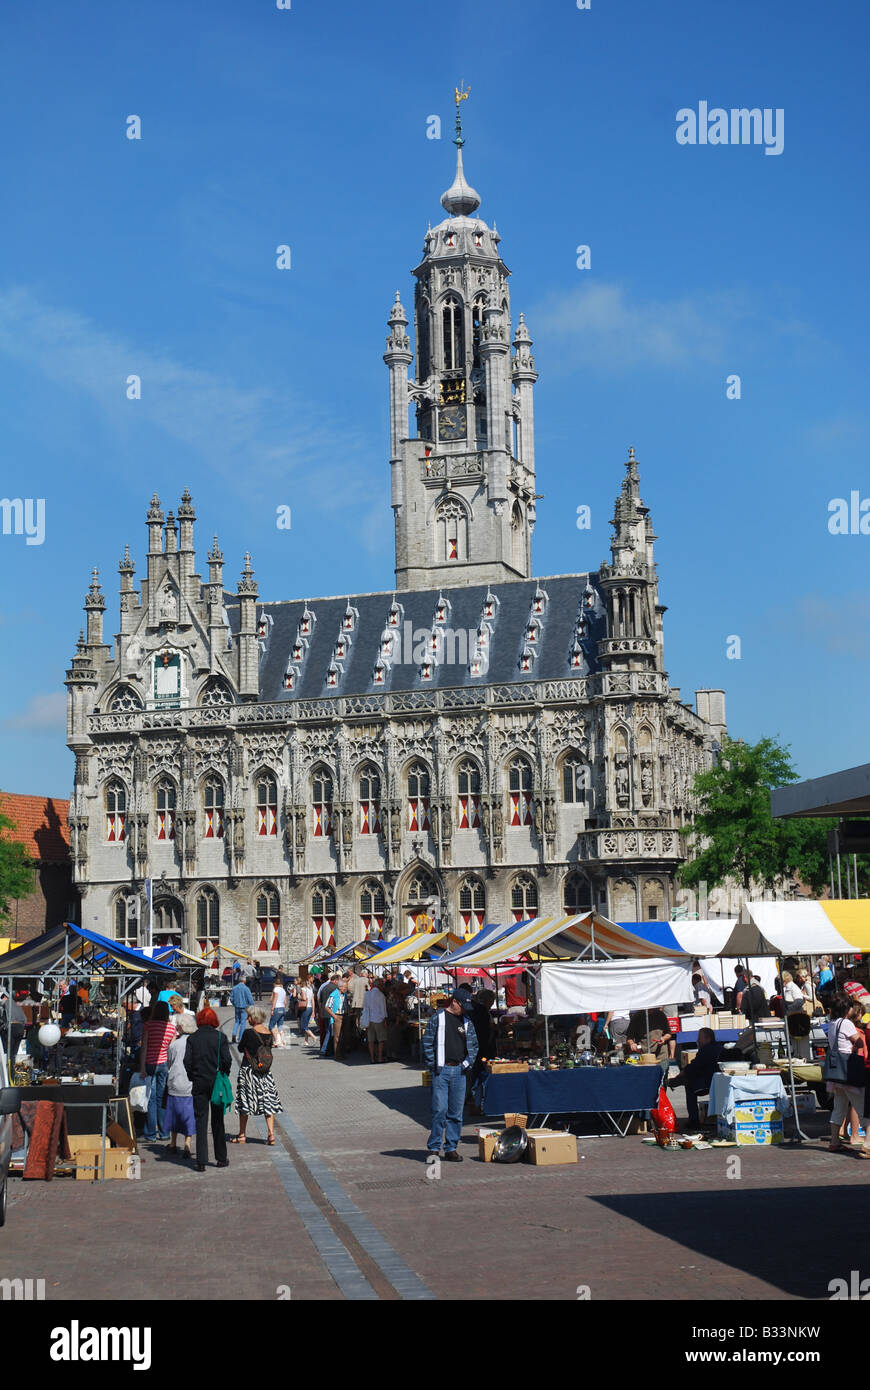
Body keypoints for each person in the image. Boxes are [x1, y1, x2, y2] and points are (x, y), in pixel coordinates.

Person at [422, 988, 479, 1162]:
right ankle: (434, 1147)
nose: (465, 1010)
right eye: (463, 1006)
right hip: (442, 1070)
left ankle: (451, 1148)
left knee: (456, 1113)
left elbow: (474, 1046)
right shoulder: (437, 1018)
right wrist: (434, 1065)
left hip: (459, 1071)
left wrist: (466, 1065)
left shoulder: (467, 1021)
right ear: (454, 1002)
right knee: (440, 1110)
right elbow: (427, 1043)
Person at [183, 1007, 232, 1171]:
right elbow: (227, 1059)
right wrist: (224, 1073)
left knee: (201, 1121)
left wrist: (192, 1075)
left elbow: (187, 1062)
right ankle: (221, 1158)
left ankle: (201, 1160)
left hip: (199, 1081)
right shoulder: (220, 1037)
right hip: (216, 1081)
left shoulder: (192, 1039)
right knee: (218, 1121)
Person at [233, 1006, 284, 1145]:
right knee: (268, 1101)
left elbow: (239, 1048)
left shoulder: (249, 1033)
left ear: (253, 1018)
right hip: (265, 1072)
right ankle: (271, 1134)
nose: (247, 1019)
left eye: (249, 1016)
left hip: (249, 1071)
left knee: (245, 1102)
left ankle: (242, 1135)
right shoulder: (268, 1033)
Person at [826, 994, 867, 1156]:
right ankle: (868, 1143)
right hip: (847, 1068)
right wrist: (853, 1048)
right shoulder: (847, 1024)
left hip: (836, 1072)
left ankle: (834, 1141)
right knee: (862, 1105)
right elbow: (859, 1042)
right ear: (845, 1008)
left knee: (839, 1107)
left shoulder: (832, 1024)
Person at [667, 1026, 723, 1129]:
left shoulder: (706, 1050)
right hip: (716, 1080)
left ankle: (694, 1120)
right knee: (687, 1079)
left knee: (689, 1085)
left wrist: (680, 1075)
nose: (697, 1041)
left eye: (699, 1038)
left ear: (708, 1038)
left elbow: (694, 1066)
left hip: (707, 1081)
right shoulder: (718, 1047)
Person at [138, 1001, 176, 1143]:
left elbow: (144, 1048)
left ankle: (150, 1133)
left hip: (149, 1064)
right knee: (161, 1098)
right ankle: (164, 1132)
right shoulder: (172, 1029)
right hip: (164, 1065)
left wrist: (142, 1068)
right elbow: (171, 1050)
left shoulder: (148, 1026)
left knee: (151, 1099)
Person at [164, 1014, 197, 1160]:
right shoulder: (195, 1043)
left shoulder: (175, 1044)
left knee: (174, 1113)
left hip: (176, 1080)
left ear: (181, 1027)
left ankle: (172, 1142)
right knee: (189, 1114)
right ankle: (187, 1144)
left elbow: (169, 1061)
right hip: (190, 1082)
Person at [361, 976, 389, 1063]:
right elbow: (383, 1009)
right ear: (380, 985)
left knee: (371, 1040)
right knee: (381, 1040)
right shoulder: (381, 995)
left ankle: (372, 1058)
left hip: (369, 1019)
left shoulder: (367, 994)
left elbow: (364, 1007)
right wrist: (385, 1020)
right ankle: (380, 1057)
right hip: (379, 1019)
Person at [321, 976, 348, 1058]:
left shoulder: (344, 994)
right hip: (337, 1016)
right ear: (340, 987)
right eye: (345, 987)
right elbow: (327, 1006)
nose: (346, 988)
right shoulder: (334, 994)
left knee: (343, 1036)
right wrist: (334, 1016)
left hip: (344, 1015)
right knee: (337, 1036)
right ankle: (338, 1054)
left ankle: (342, 1053)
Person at [229, 975, 254, 1045]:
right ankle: (240, 1038)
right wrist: (252, 1006)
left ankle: (234, 1033)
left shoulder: (234, 988)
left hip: (237, 1007)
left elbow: (231, 998)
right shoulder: (246, 989)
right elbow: (250, 999)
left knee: (237, 1021)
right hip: (245, 1007)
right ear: (245, 981)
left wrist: (234, 1004)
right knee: (243, 1023)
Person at [296, 976, 317, 1044]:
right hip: (310, 1007)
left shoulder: (303, 989)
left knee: (304, 1026)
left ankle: (313, 1036)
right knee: (306, 1024)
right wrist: (313, 1011)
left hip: (305, 1008)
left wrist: (299, 996)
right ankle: (306, 1041)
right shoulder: (310, 989)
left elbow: (304, 998)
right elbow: (313, 1000)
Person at [269, 974, 288, 1048]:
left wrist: (272, 1009)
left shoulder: (276, 989)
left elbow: (275, 999)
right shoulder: (283, 990)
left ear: (274, 983)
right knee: (280, 1025)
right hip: (282, 1008)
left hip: (277, 1008)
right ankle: (282, 1041)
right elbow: (285, 1002)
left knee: (271, 1026)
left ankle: (277, 1041)